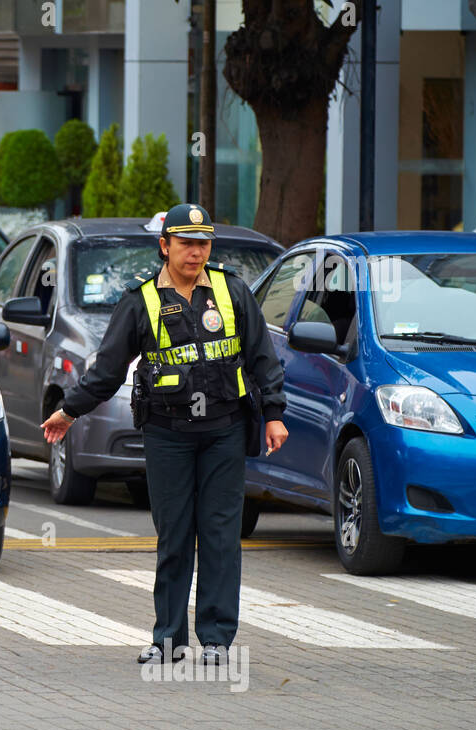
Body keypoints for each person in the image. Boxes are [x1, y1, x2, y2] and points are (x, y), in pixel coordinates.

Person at [40, 203, 289, 667]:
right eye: (187, 243)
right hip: (167, 433)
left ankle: (216, 639)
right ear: (165, 246)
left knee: (219, 535)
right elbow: (108, 370)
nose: (196, 253)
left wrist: (274, 414)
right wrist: (68, 411)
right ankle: (169, 639)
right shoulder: (140, 302)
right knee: (173, 535)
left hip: (224, 430)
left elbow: (262, 358)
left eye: (203, 243)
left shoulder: (232, 292)